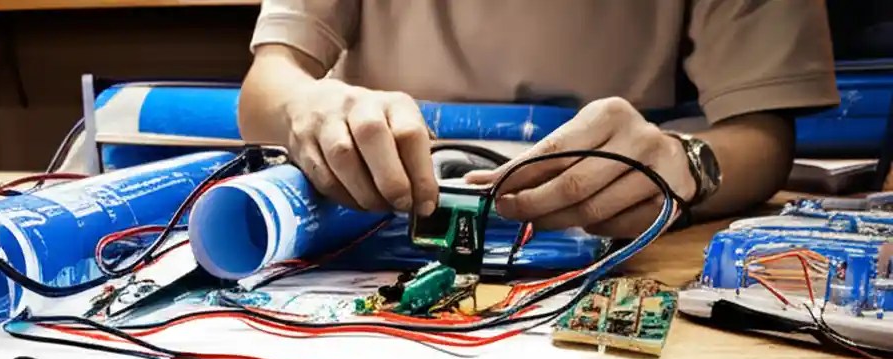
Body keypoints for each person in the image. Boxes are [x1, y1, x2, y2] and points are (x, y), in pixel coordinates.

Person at [237, 1, 840, 237]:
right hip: (373, 226)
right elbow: (268, 85)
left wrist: (687, 165)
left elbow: (763, 136)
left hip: (608, 232)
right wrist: (306, 105)